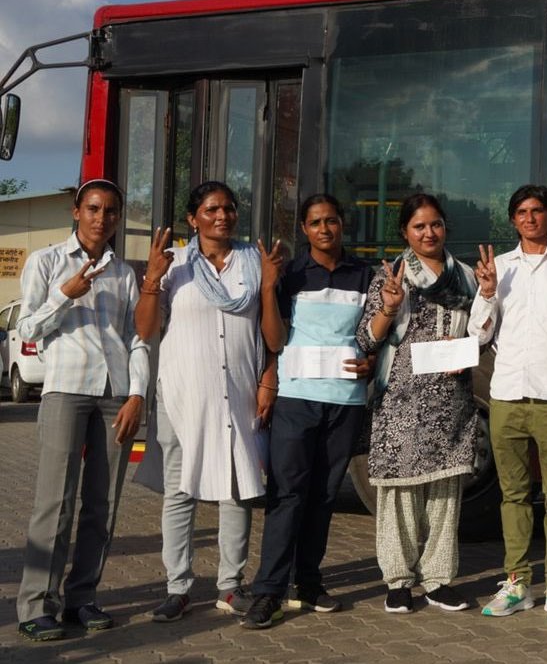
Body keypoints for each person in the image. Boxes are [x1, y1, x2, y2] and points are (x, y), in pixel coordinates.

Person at [136, 181, 281, 623]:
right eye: (212, 209)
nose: (223, 216)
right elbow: (145, 330)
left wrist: (268, 377)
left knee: (237, 489)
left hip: (239, 394)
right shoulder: (175, 264)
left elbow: (272, 335)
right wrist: (152, 279)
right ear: (192, 218)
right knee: (181, 492)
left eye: (229, 208)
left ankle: (230, 587)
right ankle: (177, 587)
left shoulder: (253, 262)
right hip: (183, 395)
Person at [14, 179, 150, 642]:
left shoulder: (123, 273)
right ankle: (37, 605)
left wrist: (137, 394)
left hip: (115, 395)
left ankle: (82, 597)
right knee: (55, 501)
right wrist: (64, 294)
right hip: (66, 390)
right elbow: (27, 328)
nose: (101, 218)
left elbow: (136, 338)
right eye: (93, 209)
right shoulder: (47, 261)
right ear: (76, 211)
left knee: (102, 503)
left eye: (110, 211)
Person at [240, 194, 375, 629]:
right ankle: (268, 591)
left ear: (342, 224)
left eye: (331, 220)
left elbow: (374, 335)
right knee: (287, 494)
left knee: (323, 495)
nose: (324, 229)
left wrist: (372, 361)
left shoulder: (364, 275)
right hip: (297, 397)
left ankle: (309, 582)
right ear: (304, 229)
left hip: (346, 400)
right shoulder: (291, 274)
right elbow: (275, 340)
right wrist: (268, 286)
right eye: (315, 222)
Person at [355, 194, 486, 615]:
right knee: (399, 493)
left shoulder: (467, 277)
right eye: (419, 226)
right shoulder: (391, 275)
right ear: (405, 232)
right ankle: (398, 581)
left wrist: (469, 340)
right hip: (401, 399)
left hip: (451, 401)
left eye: (435, 224)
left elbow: (484, 336)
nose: (429, 233)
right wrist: (389, 307)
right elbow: (366, 339)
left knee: (445, 494)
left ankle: (438, 580)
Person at [470, 185, 547, 621]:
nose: (529, 218)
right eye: (521, 211)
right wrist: (487, 292)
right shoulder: (499, 268)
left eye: (537, 210)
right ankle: (517, 583)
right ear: (513, 220)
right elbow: (479, 334)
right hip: (506, 396)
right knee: (513, 496)